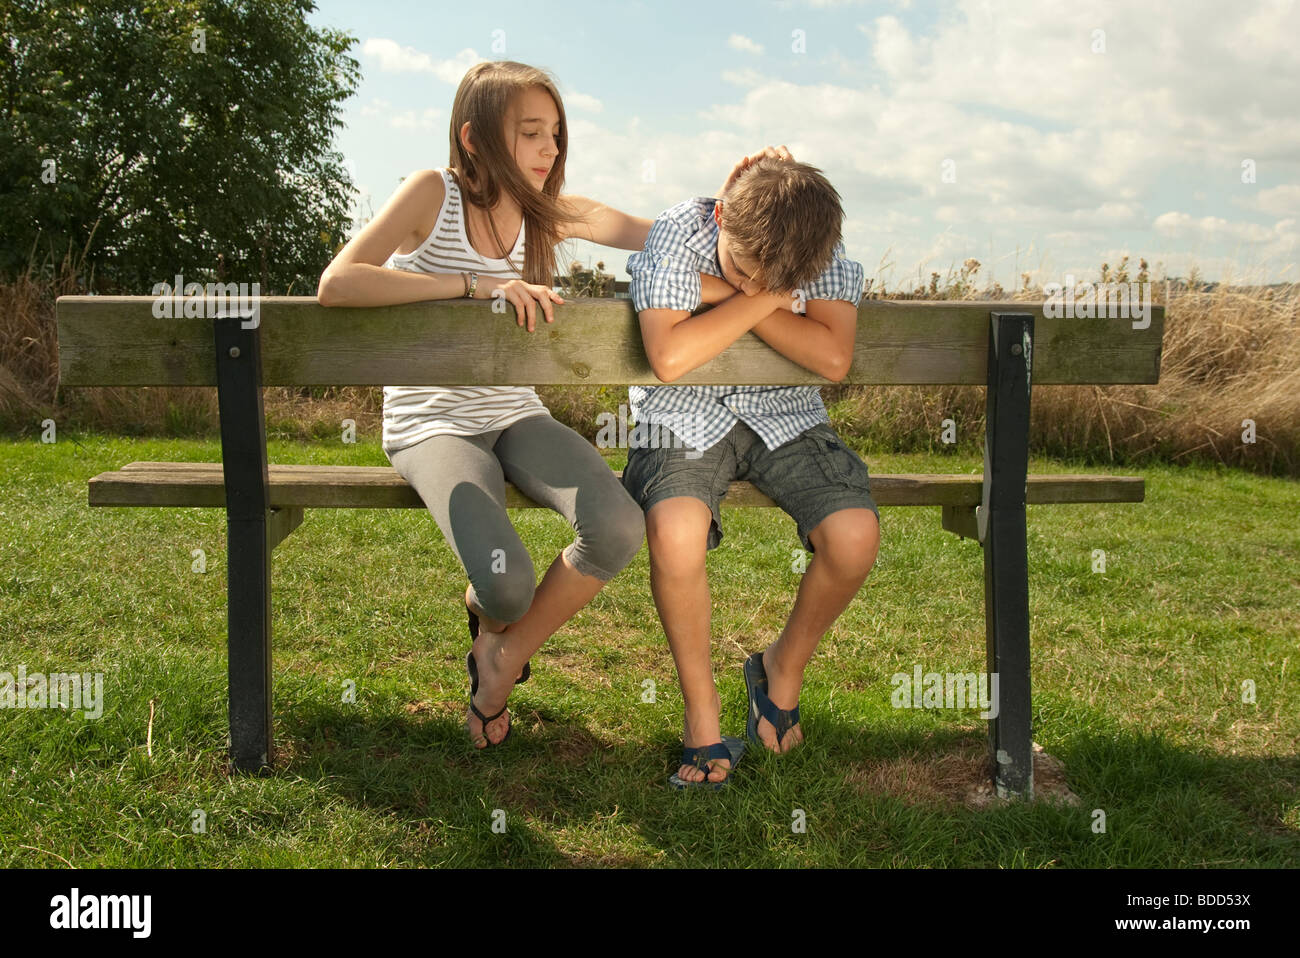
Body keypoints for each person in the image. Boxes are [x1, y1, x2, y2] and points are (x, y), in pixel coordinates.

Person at [317, 60, 652, 749]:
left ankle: (500, 658)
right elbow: (339, 284)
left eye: (555, 134)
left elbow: (647, 231)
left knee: (618, 525)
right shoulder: (430, 193)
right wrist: (473, 286)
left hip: (515, 414)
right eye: (531, 133)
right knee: (506, 588)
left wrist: (732, 210)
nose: (549, 150)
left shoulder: (546, 213)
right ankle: (493, 618)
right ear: (473, 139)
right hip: (431, 423)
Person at [621, 152, 881, 788]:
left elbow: (832, 355)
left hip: (786, 414)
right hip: (682, 415)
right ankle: (702, 716)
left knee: (854, 537)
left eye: (773, 279)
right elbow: (670, 356)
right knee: (676, 533)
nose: (753, 279)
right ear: (721, 214)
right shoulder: (685, 226)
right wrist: (771, 299)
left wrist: (729, 295)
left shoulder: (819, 239)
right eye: (738, 265)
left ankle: (779, 668)